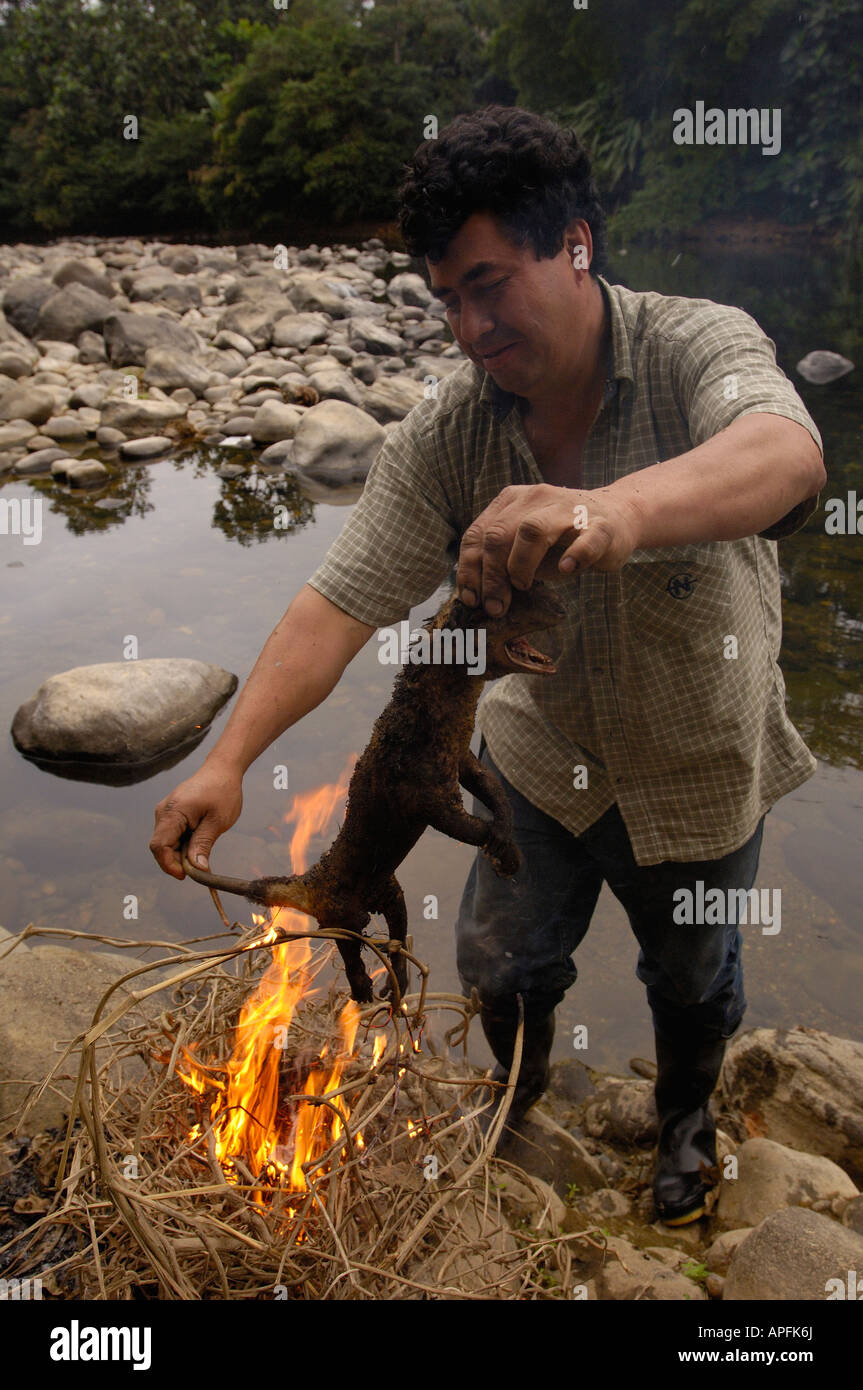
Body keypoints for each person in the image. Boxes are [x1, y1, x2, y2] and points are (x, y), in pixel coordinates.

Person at [150, 106, 826, 1226]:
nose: (467, 327)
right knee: (501, 960)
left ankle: (686, 1120)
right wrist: (227, 762)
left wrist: (607, 509)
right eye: (444, 300)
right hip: (537, 756)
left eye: (487, 283)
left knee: (691, 977)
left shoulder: (692, 344)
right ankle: (512, 1107)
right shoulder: (448, 435)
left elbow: (785, 453)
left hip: (699, 761)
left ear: (574, 244)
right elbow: (338, 603)